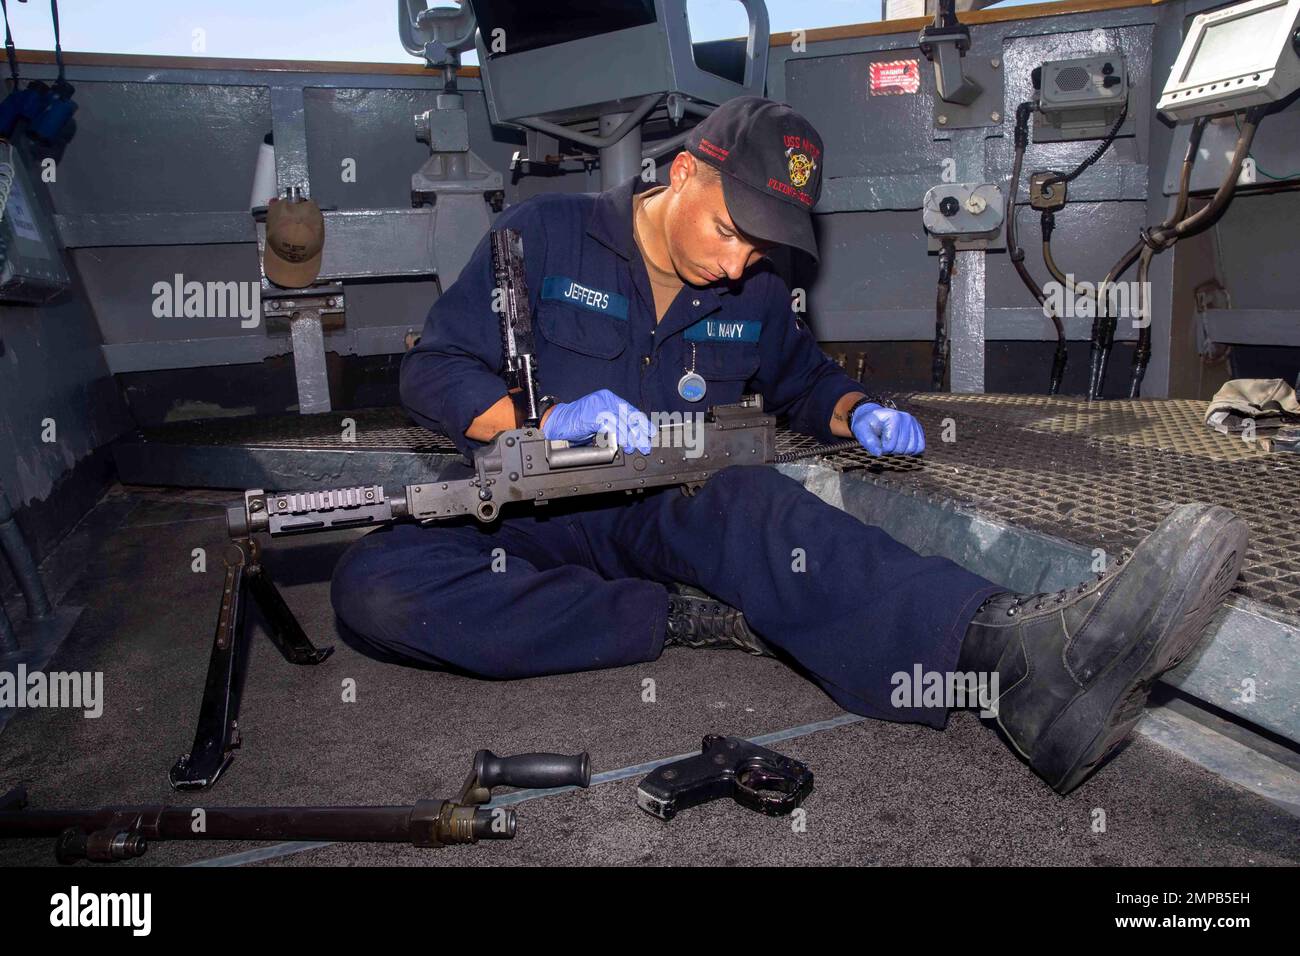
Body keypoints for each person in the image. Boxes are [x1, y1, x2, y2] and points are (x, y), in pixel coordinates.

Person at [331, 96, 1247, 795]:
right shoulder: (541, 237)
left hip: (664, 507)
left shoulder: (755, 289)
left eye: (760, 252)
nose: (738, 266)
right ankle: (675, 620)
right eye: (729, 233)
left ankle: (1010, 663)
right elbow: (437, 365)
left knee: (761, 506)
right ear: (683, 173)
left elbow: (804, 381)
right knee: (373, 591)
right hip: (528, 507)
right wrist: (527, 425)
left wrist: (858, 413)